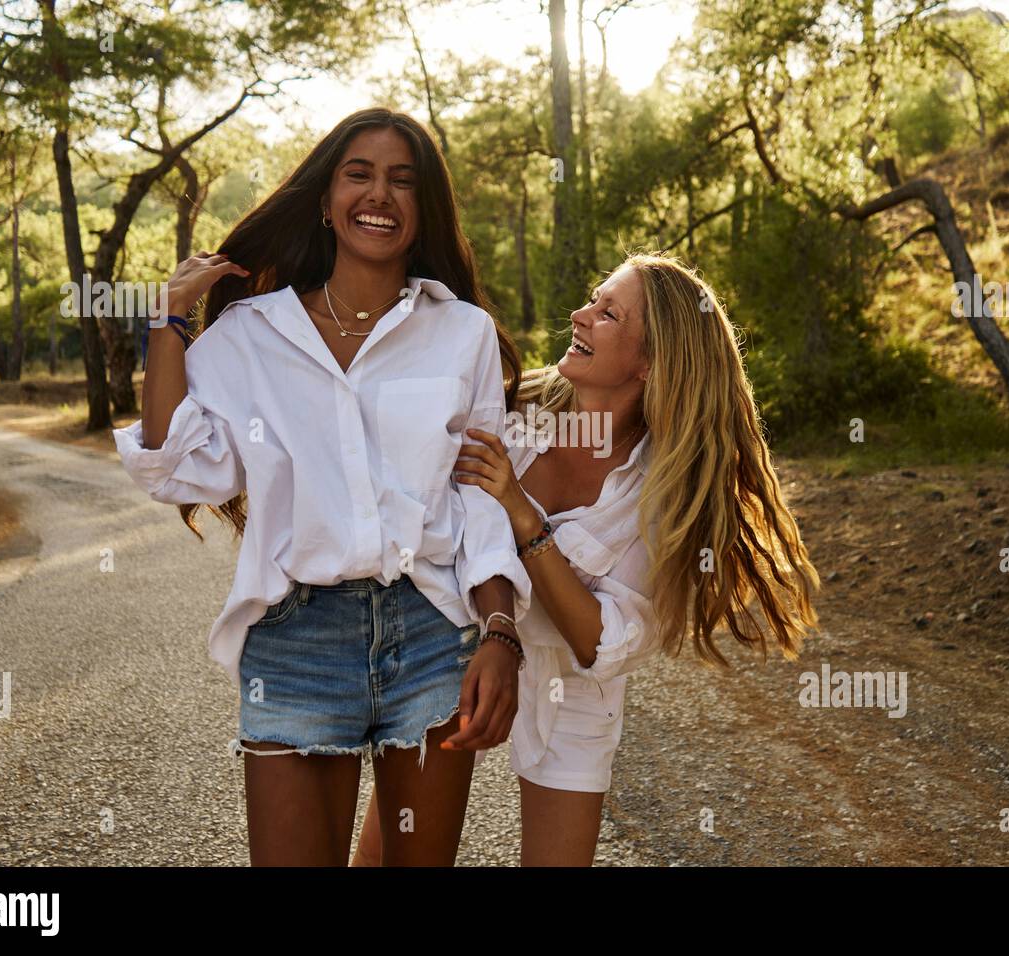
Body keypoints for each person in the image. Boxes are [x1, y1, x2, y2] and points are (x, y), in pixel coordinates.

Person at [113, 108, 530, 866]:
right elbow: (174, 465)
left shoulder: (461, 332)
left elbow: (480, 500)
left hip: (432, 633)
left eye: (404, 180)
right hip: (295, 645)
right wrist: (169, 321)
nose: (381, 194)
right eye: (359, 174)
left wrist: (500, 633)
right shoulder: (250, 335)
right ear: (325, 200)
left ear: (423, 207)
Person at [351, 252, 821, 866]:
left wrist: (523, 515)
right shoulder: (513, 406)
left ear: (651, 361)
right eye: (591, 300)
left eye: (607, 313)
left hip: (570, 683)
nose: (579, 315)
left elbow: (600, 644)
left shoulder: (662, 491)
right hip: (455, 636)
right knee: (388, 860)